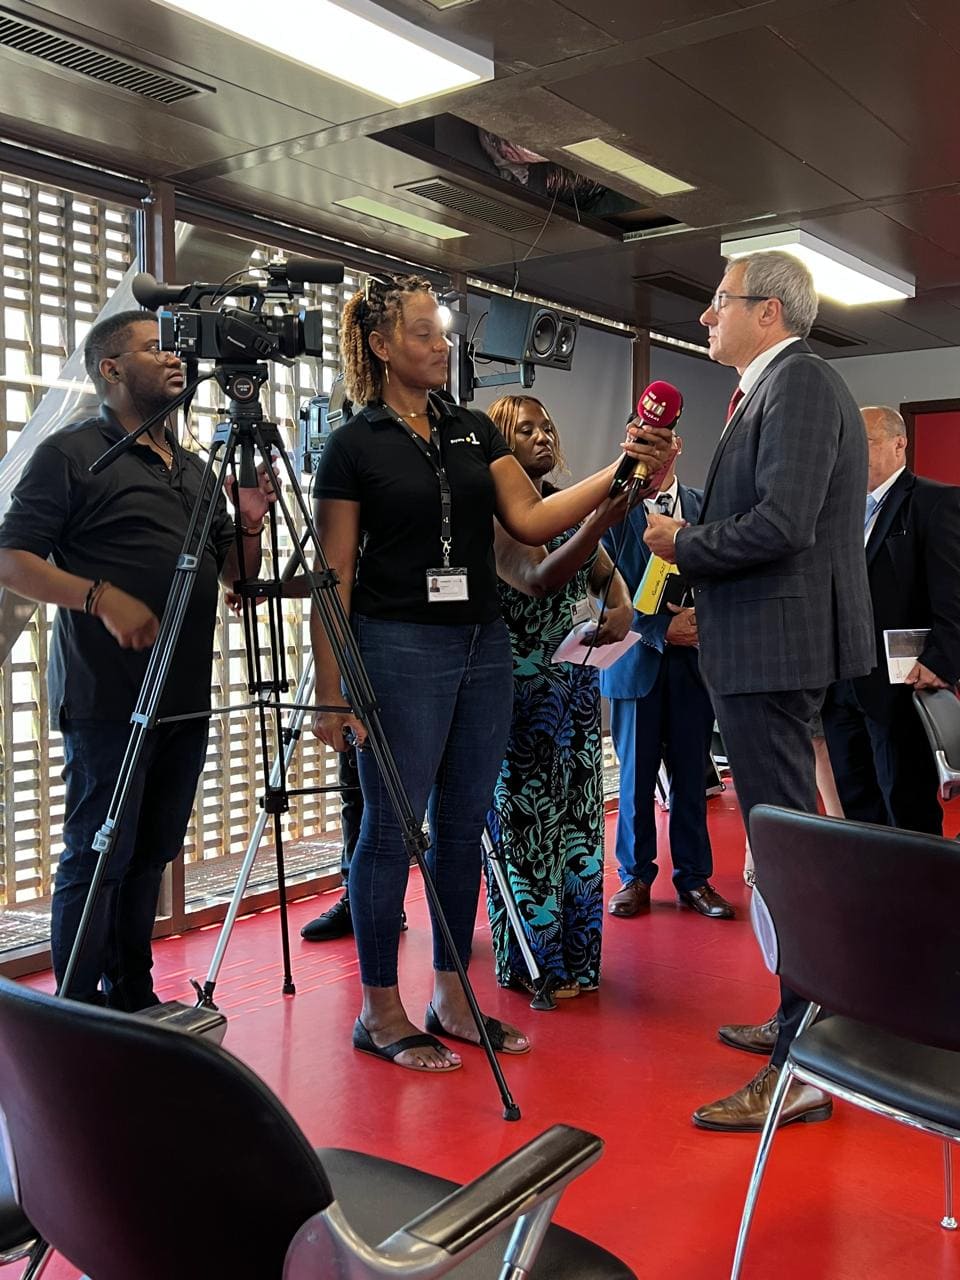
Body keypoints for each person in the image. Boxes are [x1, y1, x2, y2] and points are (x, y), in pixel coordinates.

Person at [310, 273, 674, 1073]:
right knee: (389, 831)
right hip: (395, 643)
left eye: (442, 333)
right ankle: (379, 1010)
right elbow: (332, 576)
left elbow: (536, 521)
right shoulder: (354, 444)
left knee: (465, 827)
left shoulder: (475, 431)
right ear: (379, 347)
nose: (443, 345)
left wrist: (623, 469)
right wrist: (329, 695)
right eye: (423, 334)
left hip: (480, 649)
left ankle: (448, 994)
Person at [643, 251, 874, 1131]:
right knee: (782, 855)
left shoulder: (801, 384)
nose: (707, 316)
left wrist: (681, 543)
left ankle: (804, 1065)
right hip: (763, 647)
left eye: (717, 300)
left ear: (768, 312)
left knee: (786, 860)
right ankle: (799, 1020)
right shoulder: (766, 391)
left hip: (777, 649)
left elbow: (783, 522)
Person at [0, 309, 274, 1009]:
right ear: (111, 370)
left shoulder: (194, 468)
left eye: (176, 347)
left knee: (150, 853)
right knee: (99, 856)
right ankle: (75, 1010)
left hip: (184, 696)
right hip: (108, 697)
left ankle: (133, 995)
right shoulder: (70, 454)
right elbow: (12, 559)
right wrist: (98, 597)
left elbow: (239, 579)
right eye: (156, 349)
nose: (174, 358)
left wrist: (248, 520)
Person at [483, 394, 634, 999]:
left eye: (548, 427)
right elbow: (540, 575)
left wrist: (621, 610)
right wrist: (599, 518)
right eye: (526, 430)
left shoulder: (563, 508)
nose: (543, 437)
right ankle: (533, 966)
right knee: (528, 833)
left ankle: (577, 959)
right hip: (520, 703)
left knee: (577, 830)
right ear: (501, 446)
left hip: (573, 693)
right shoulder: (495, 515)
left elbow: (605, 576)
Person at [601, 438, 734, 921]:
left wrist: (704, 621)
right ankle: (634, 878)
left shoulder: (706, 507)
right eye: (643, 447)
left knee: (692, 777)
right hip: (635, 661)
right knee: (634, 780)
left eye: (662, 448)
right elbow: (595, 595)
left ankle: (695, 879)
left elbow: (728, 573)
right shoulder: (610, 511)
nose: (653, 459)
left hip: (695, 666)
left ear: (678, 447)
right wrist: (661, 628)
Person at [821, 405, 960, 835]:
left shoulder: (934, 503)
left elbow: (954, 593)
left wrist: (941, 660)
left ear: (900, 443)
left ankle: (919, 899)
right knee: (856, 803)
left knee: (907, 804)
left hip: (900, 685)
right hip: (839, 683)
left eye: (864, 443)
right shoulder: (836, 511)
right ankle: (870, 897)